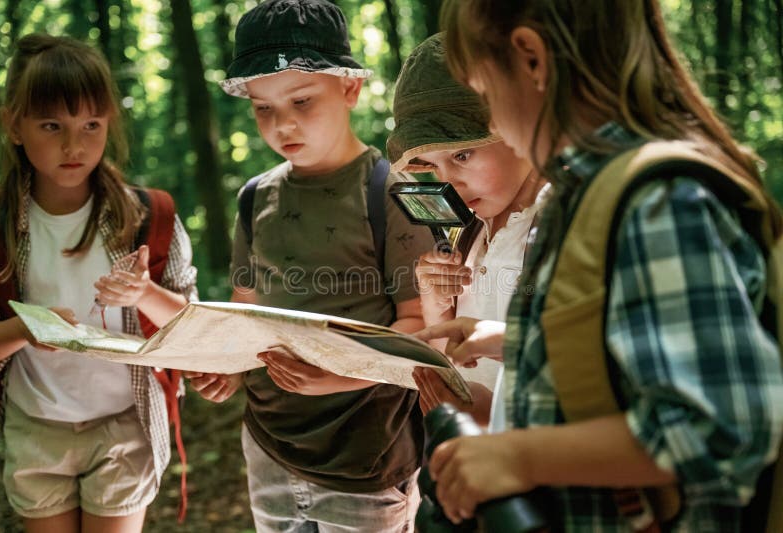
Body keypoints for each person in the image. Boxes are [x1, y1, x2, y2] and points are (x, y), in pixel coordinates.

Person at [415, 0, 783, 530]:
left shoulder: (657, 201)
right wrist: (522, 340)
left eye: (483, 92)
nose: (490, 118)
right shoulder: (585, 193)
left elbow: (719, 427)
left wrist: (518, 457)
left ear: (531, 58)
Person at [185, 1, 434, 531]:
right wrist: (228, 365)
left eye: (301, 100)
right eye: (263, 108)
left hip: (366, 454)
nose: (283, 123)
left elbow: (420, 330)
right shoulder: (255, 198)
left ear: (349, 88)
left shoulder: (397, 191)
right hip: (270, 447)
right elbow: (246, 314)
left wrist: (338, 372)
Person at [0, 34, 197, 533]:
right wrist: (26, 330)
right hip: (36, 427)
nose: (73, 145)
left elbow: (192, 330)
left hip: (125, 422)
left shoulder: (149, 217)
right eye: (52, 125)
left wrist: (144, 293)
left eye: (91, 125)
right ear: (14, 126)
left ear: (109, 124)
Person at [386, 33, 547, 428]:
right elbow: (450, 353)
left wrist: (491, 416)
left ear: (518, 122)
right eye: (432, 165)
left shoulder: (560, 225)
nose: (449, 182)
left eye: (461, 154)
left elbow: (584, 364)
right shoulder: (470, 232)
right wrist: (437, 305)